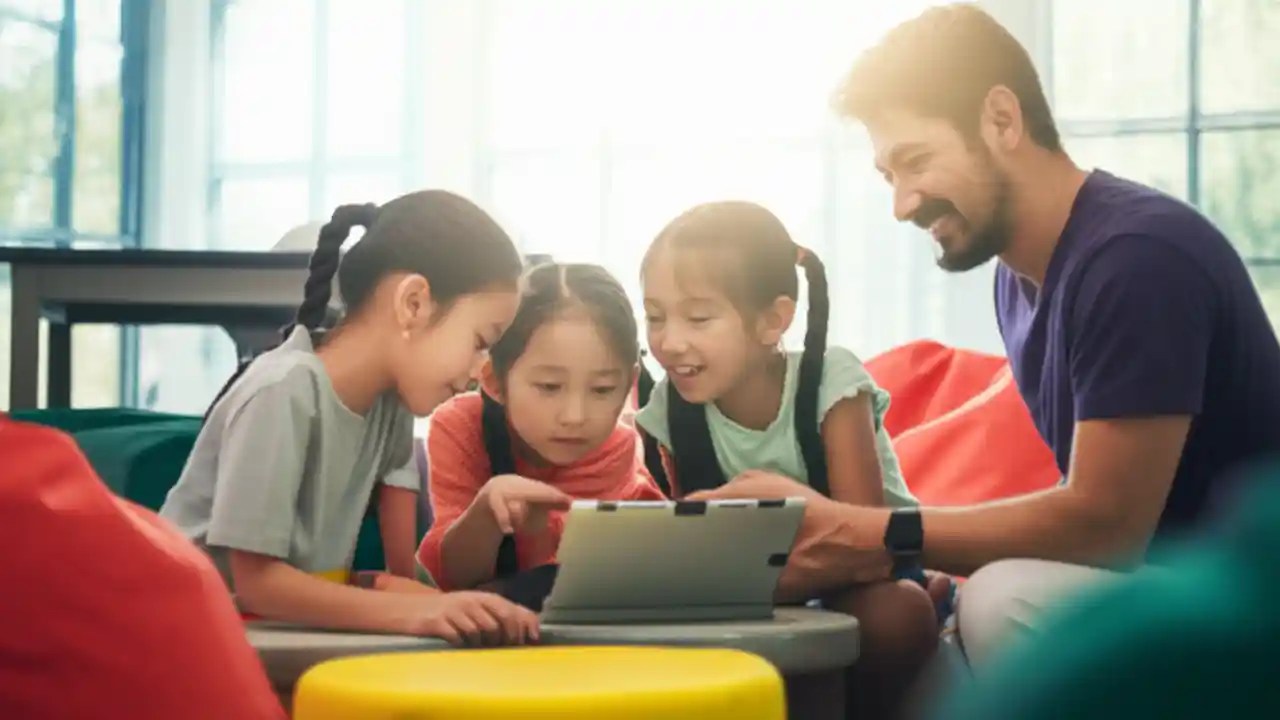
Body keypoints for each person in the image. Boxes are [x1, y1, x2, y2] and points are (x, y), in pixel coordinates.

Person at [690, 1, 1280, 670]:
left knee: (1003, 598)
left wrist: (866, 532)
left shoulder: (1136, 258)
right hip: (1179, 590)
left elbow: (1107, 525)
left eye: (916, 161)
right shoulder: (1016, 279)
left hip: (1249, 595)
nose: (902, 205)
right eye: (889, 177)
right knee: (929, 628)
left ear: (1002, 119)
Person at [159, 189, 540, 646]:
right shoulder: (283, 390)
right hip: (186, 637)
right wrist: (420, 611)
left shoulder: (391, 406)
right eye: (480, 342)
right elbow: (258, 585)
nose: (481, 372)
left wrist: (466, 607)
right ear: (413, 303)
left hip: (268, 634)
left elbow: (400, 577)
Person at [634, 201, 945, 719]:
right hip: (761, 586)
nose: (669, 341)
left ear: (773, 320)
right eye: (655, 317)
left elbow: (864, 536)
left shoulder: (829, 382)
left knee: (897, 615)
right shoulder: (669, 409)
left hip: (865, 571)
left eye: (698, 318)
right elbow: (699, 542)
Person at [418, 262, 666, 592]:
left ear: (628, 387)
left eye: (602, 389)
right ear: (494, 381)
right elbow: (452, 580)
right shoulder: (462, 427)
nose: (575, 416)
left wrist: (538, 533)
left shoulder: (617, 448)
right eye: (549, 387)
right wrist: (485, 515)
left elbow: (603, 579)